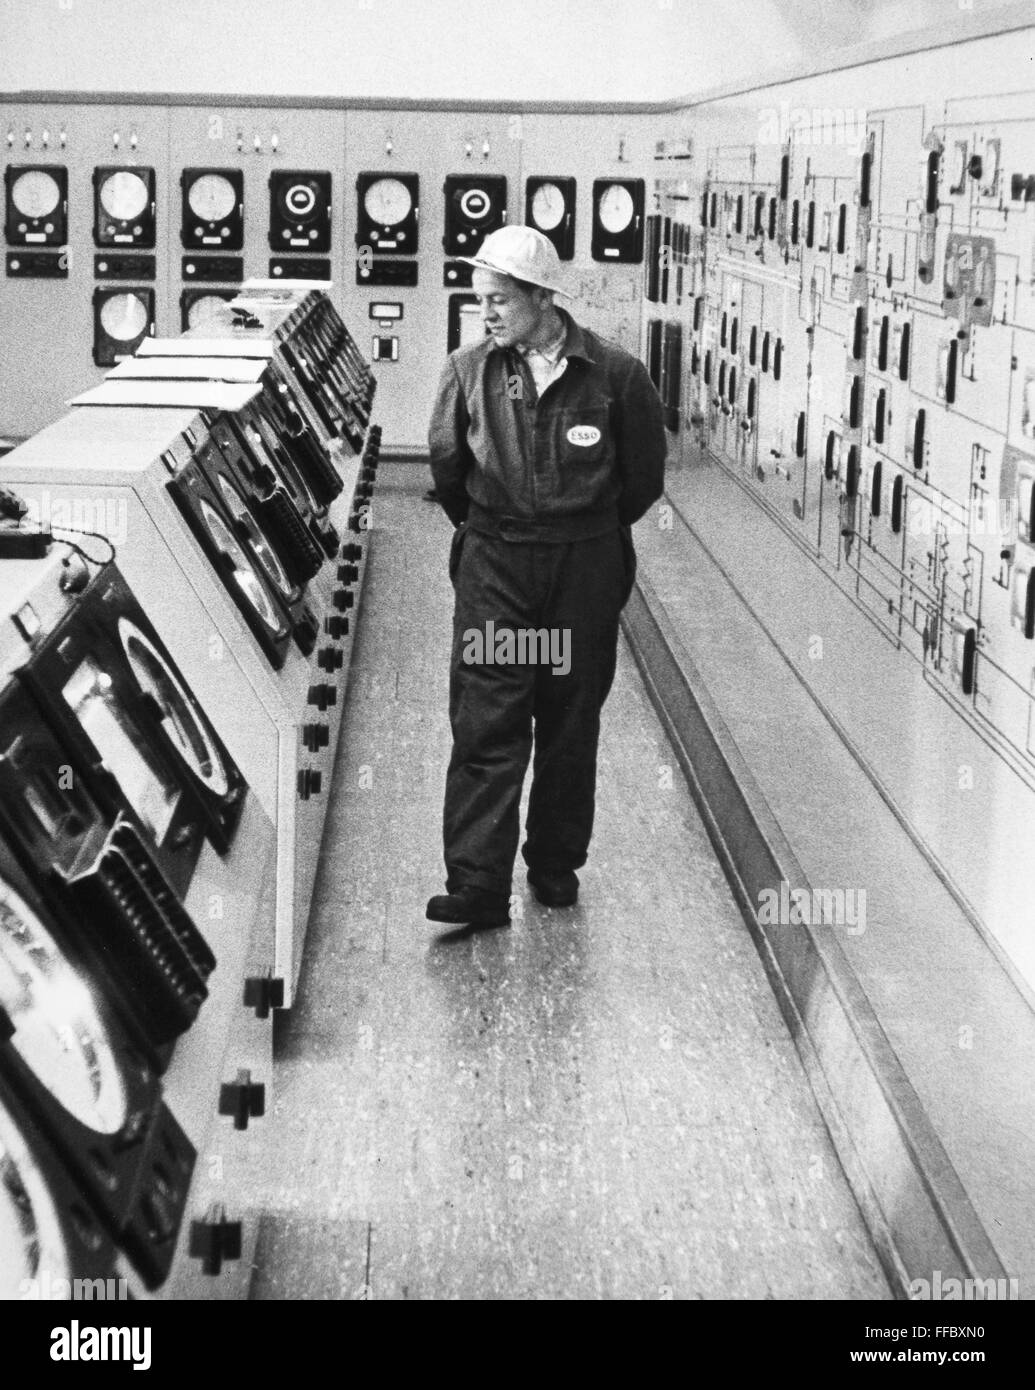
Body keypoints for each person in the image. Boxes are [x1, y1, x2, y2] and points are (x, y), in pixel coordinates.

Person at [425, 224, 667, 929]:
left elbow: (641, 480)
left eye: (499, 300)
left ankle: (554, 863)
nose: (487, 314)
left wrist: (575, 529)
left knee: (568, 718)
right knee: (487, 719)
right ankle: (476, 883)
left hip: (581, 571)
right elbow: (448, 471)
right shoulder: (468, 370)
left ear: (540, 298)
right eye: (480, 301)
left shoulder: (616, 375)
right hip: (497, 570)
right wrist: (503, 528)